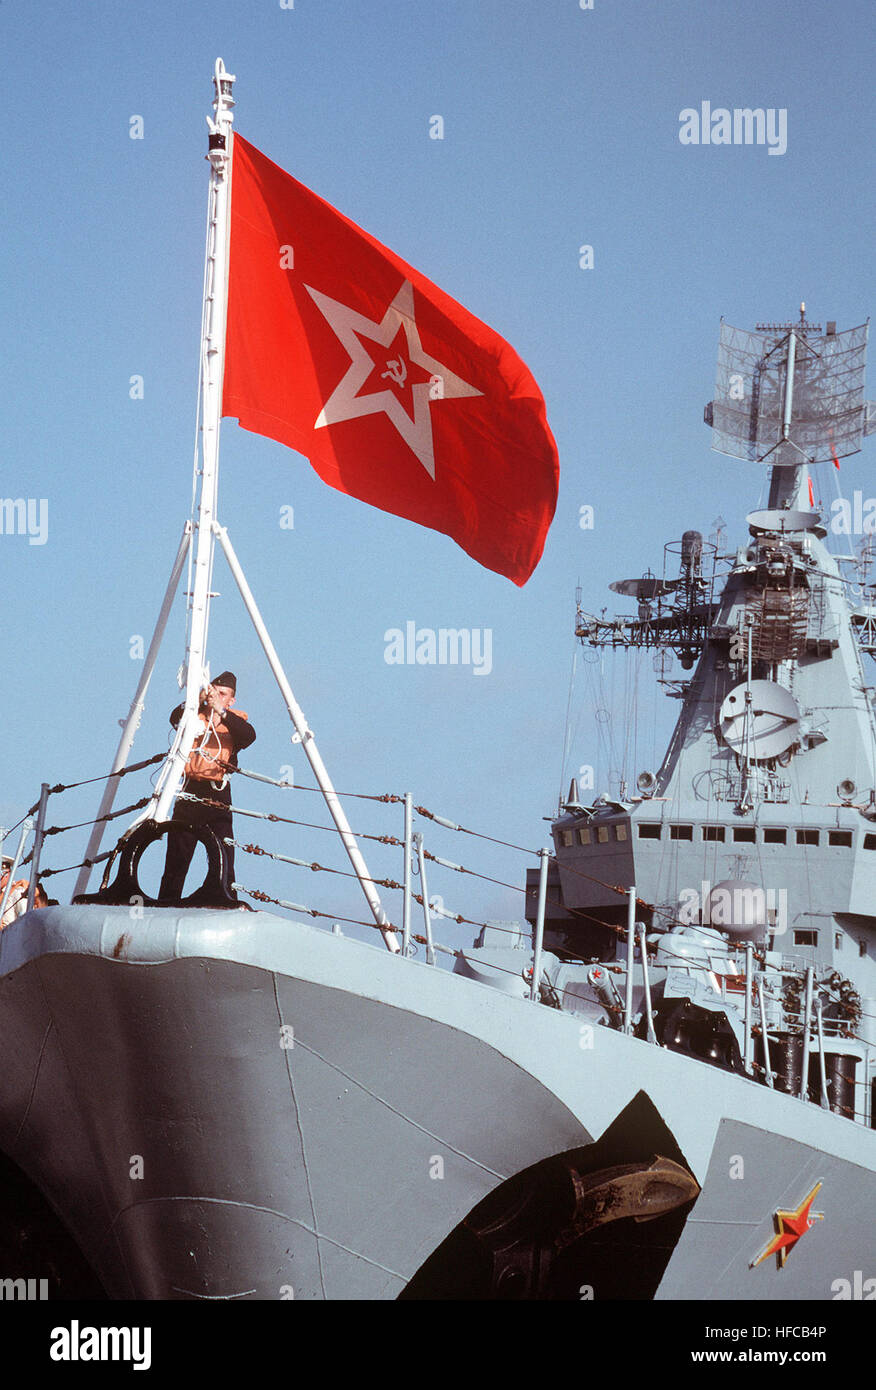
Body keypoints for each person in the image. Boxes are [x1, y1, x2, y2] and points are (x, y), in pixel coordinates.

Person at [158, 671, 256, 901]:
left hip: (218, 792)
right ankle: (167, 901)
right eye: (214, 691)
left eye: (222, 694)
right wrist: (200, 699)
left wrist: (220, 712)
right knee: (178, 854)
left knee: (223, 850)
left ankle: (225, 896)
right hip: (191, 792)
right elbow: (175, 717)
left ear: (231, 700)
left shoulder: (235, 723)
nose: (216, 696)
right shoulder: (194, 717)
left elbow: (248, 736)